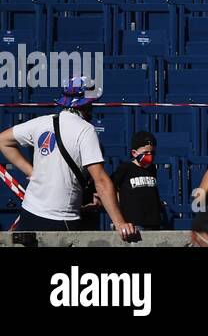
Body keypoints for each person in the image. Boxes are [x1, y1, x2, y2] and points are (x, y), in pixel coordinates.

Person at [0, 77, 137, 239]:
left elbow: (3, 140)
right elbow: (100, 180)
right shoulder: (86, 130)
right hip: (61, 220)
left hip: (29, 213)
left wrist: (31, 171)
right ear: (86, 104)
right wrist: (120, 223)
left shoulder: (41, 122)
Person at [110, 131, 164, 231]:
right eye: (145, 153)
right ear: (134, 153)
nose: (150, 156)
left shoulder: (152, 168)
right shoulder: (125, 168)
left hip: (153, 221)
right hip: (134, 222)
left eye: (152, 153)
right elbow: (110, 187)